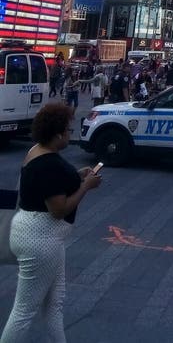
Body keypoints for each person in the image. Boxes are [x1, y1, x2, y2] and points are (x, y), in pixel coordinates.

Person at [1, 102, 102, 342]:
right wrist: (86, 187)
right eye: (68, 130)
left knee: (55, 303)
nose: (71, 134)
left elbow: (50, 185)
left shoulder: (39, 151)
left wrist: (76, 176)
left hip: (43, 238)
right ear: (57, 134)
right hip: (40, 240)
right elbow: (59, 209)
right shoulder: (48, 164)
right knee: (24, 310)